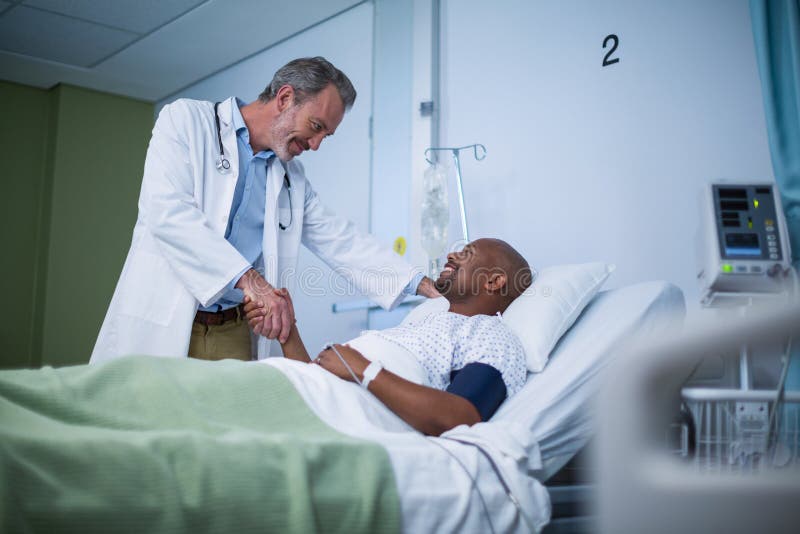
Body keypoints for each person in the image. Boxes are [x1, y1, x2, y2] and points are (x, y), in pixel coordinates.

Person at [91, 57, 438, 364]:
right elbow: (168, 213)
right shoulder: (186, 121)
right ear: (285, 98)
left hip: (232, 330)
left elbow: (342, 240)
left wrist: (425, 286)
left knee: (232, 418)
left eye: (326, 136)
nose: (316, 145)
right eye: (316, 127)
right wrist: (250, 280)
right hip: (165, 318)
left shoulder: (290, 179)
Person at [245, 238, 533, 436]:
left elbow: (461, 417)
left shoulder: (491, 335)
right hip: (296, 395)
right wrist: (287, 331)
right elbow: (320, 385)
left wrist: (364, 369)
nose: (451, 255)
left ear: (494, 281)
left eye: (467, 254)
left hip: (318, 418)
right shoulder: (424, 324)